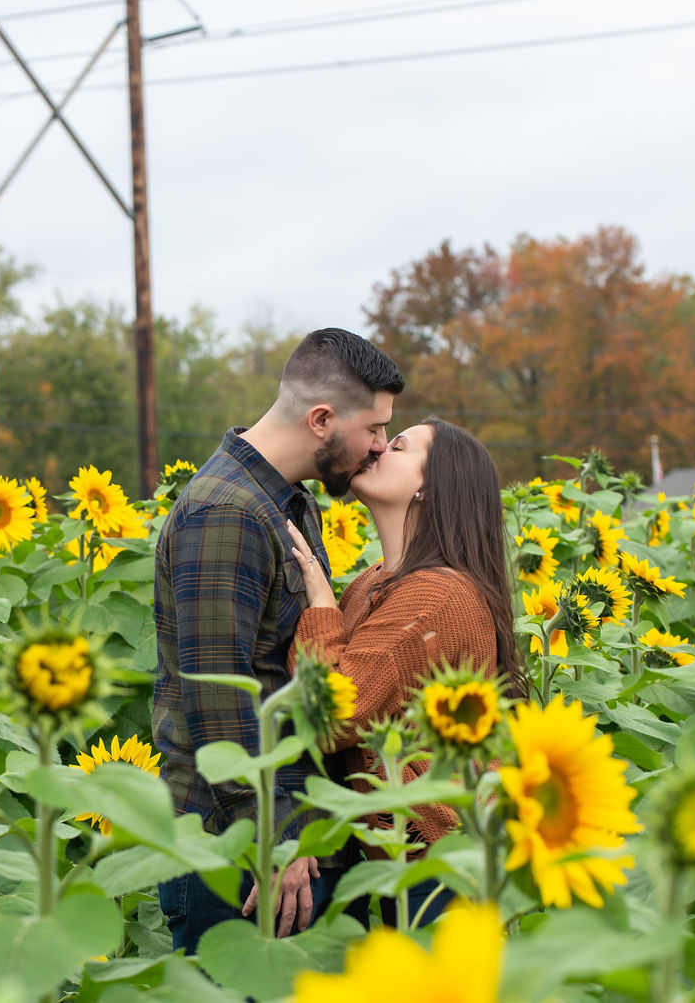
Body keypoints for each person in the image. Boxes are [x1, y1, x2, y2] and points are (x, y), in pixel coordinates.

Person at [152, 328, 405, 953]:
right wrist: (272, 833)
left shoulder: (286, 502)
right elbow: (216, 691)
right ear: (321, 420)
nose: (380, 446)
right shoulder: (227, 510)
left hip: (296, 825)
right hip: (240, 844)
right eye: (374, 429)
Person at [270, 416, 528, 927]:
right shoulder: (374, 582)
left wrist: (320, 605)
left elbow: (332, 718)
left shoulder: (436, 594)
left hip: (442, 859)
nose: (378, 448)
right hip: (404, 857)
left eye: (400, 446)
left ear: (429, 488)